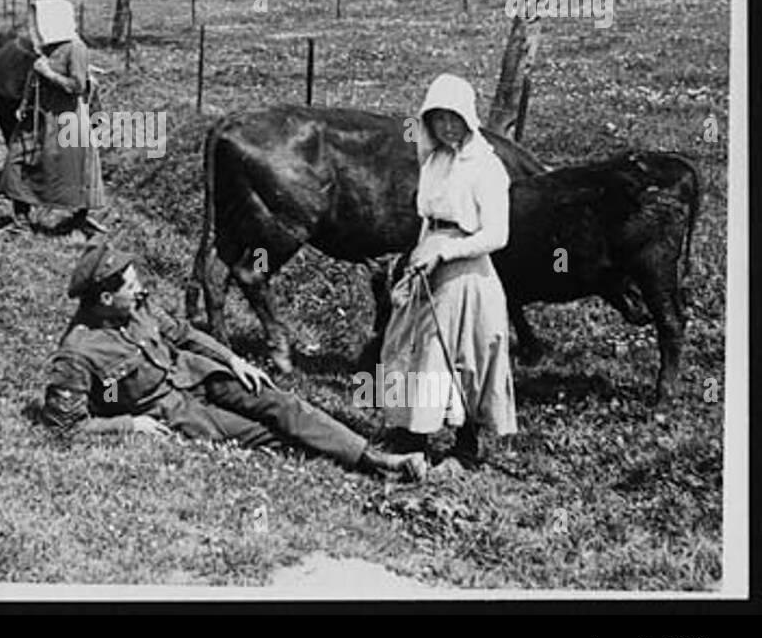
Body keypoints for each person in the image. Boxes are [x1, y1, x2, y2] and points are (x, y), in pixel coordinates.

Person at [40, 239, 426, 480]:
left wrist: (233, 360)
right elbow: (65, 428)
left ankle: (375, 458)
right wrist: (131, 424)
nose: (140, 289)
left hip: (199, 375)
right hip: (174, 410)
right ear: (105, 299)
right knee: (266, 436)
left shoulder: (136, 307)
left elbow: (185, 335)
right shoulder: (78, 353)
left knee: (282, 402)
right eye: (129, 285)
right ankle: (364, 466)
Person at [377, 72, 517, 463]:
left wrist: (446, 253)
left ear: (468, 118)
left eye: (453, 117)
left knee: (460, 352)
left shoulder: (486, 168)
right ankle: (413, 434)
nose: (446, 126)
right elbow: (429, 216)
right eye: (438, 118)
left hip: (465, 268)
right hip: (429, 258)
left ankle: (466, 443)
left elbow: (498, 235)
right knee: (412, 345)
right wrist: (418, 253)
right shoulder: (434, 161)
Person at [0, 0, 105, 240]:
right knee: (18, 161)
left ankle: (78, 219)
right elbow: (33, 77)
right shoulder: (47, 46)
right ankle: (21, 219)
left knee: (75, 170)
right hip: (39, 114)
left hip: (66, 118)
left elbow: (77, 86)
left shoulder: (76, 48)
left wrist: (48, 73)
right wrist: (24, 104)